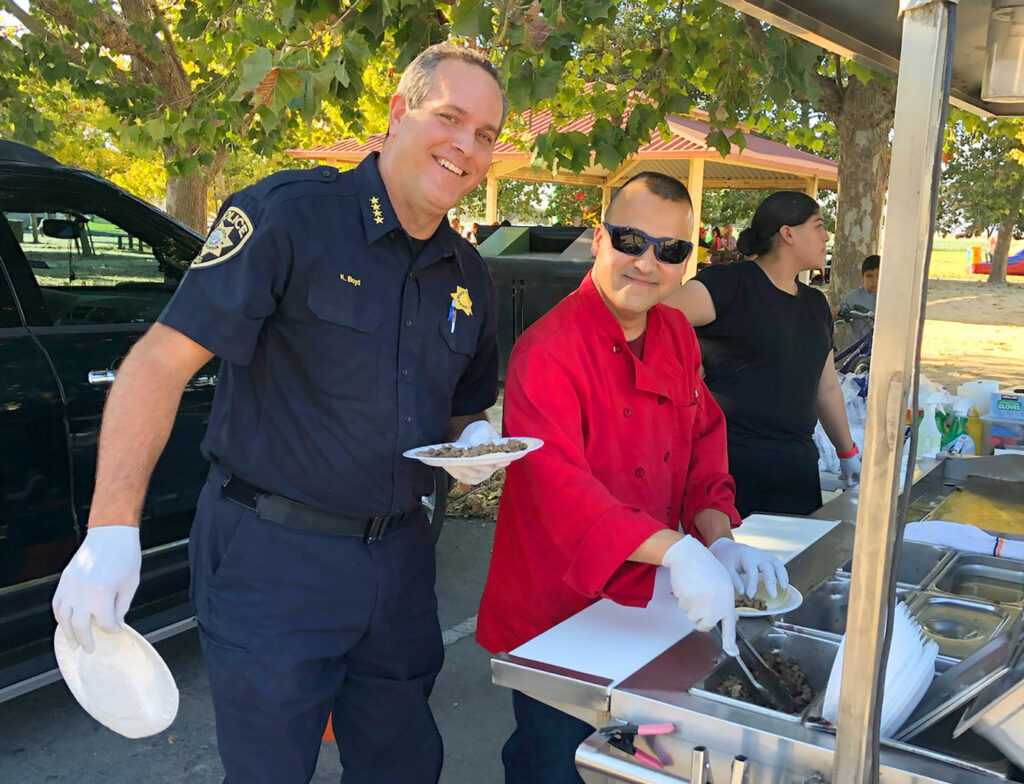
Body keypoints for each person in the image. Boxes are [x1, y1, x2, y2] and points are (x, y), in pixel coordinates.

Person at [51, 42, 511, 784]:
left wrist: (478, 440)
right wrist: (111, 530)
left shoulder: (469, 278)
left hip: (398, 561)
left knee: (404, 765)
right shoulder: (289, 217)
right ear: (398, 113)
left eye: (486, 134)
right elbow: (157, 364)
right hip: (274, 556)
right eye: (449, 117)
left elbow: (462, 410)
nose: (466, 144)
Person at [477, 172, 788, 784]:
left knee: (634, 766)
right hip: (560, 613)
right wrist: (679, 552)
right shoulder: (546, 350)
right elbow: (557, 488)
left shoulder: (675, 333)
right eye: (631, 240)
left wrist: (717, 536)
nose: (648, 264)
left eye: (670, 251)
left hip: (652, 606)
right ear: (599, 238)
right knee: (556, 763)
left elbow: (703, 442)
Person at [666, 191, 862, 518]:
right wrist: (689, 370)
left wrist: (847, 452)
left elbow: (825, 387)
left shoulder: (815, 305)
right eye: (818, 225)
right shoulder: (728, 285)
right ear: (788, 233)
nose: (826, 236)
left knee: (798, 568)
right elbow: (654, 319)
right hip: (730, 466)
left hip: (797, 468)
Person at [839, 254, 880, 343]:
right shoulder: (852, 298)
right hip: (859, 349)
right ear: (862, 277)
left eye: (879, 275)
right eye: (869, 276)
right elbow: (839, 314)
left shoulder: (892, 298)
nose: (875, 281)